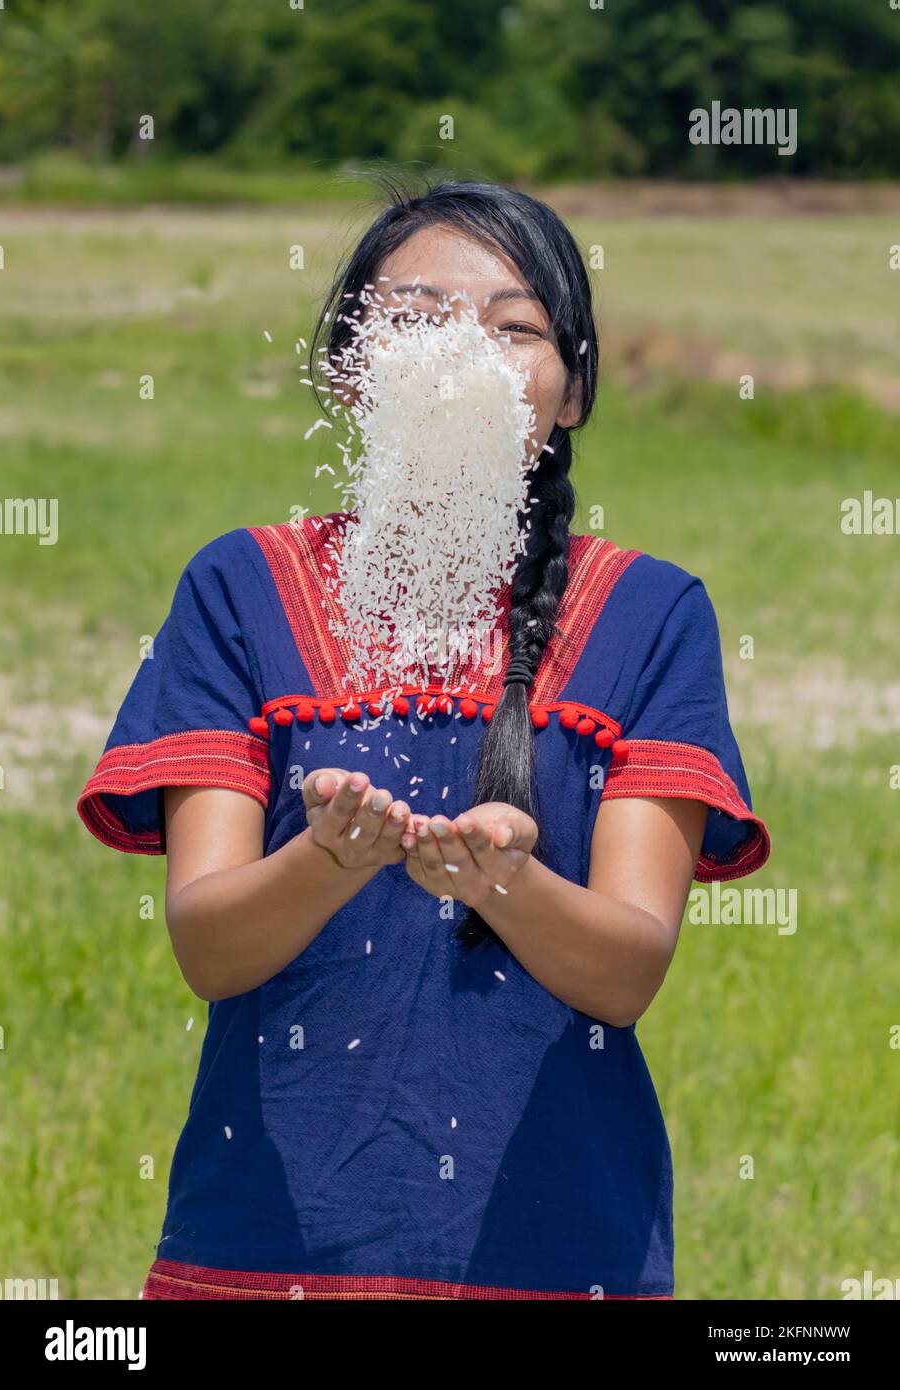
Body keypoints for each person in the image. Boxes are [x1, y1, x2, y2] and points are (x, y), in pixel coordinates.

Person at [78, 180, 770, 1300]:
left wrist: (507, 884)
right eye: (416, 319)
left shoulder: (646, 611)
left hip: (554, 1245)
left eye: (510, 327)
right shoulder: (242, 586)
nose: (460, 355)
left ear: (572, 391)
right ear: (349, 370)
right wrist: (323, 861)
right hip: (269, 1240)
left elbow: (625, 973)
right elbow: (210, 949)